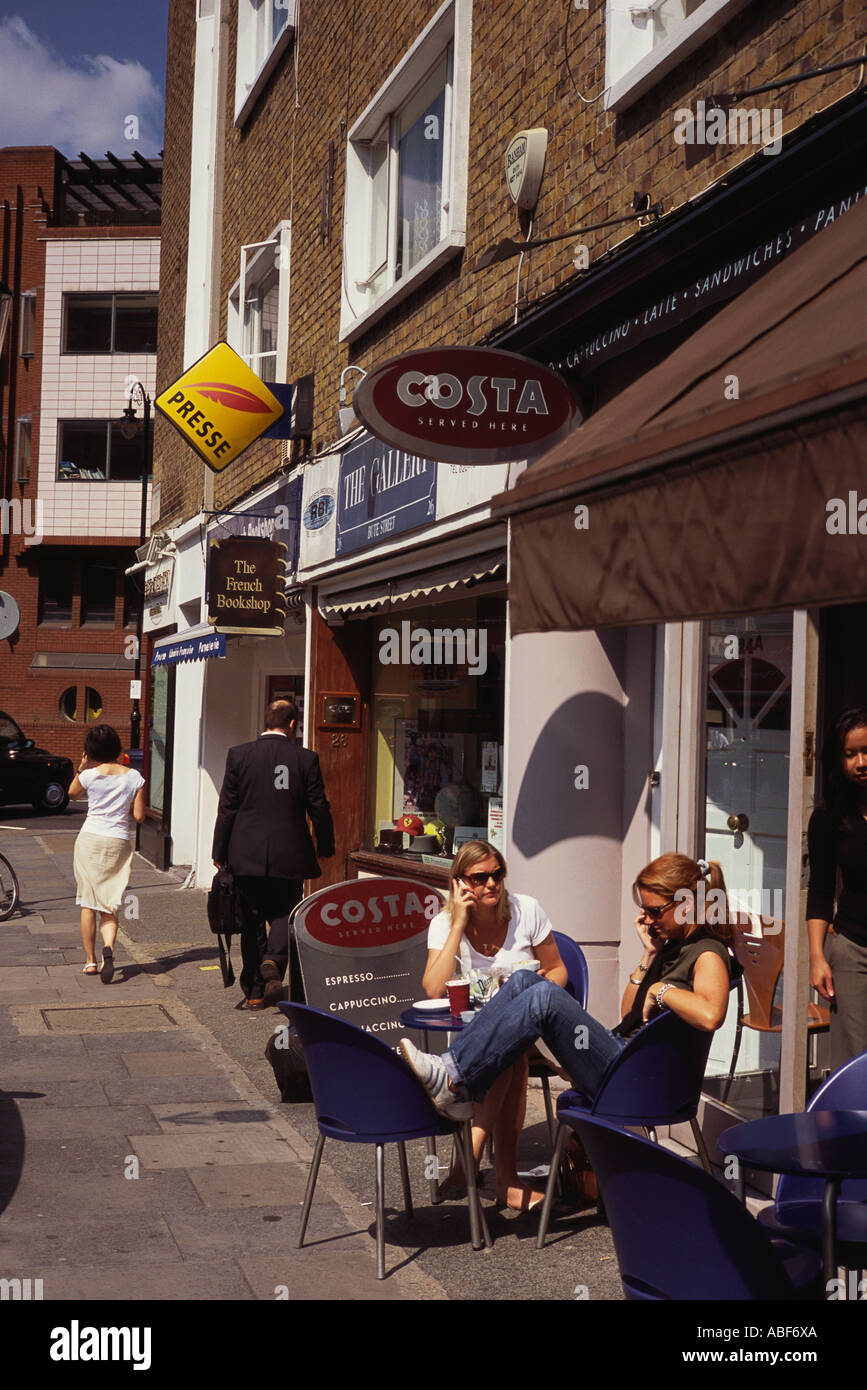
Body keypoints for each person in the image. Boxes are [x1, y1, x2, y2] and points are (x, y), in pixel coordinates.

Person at [401, 852, 734, 1124]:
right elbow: (628, 1015)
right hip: (625, 1058)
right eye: (643, 910)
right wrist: (648, 957)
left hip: (640, 1078)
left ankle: (452, 1078)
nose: (646, 919)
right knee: (523, 981)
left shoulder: (707, 953)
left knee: (543, 996)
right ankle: (454, 1076)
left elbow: (710, 1015)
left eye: (653, 910)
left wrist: (661, 990)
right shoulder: (671, 946)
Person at [423, 840, 567, 1211]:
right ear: (460, 883)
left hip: (532, 1030)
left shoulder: (526, 910)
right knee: (511, 1056)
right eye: (480, 877)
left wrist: (532, 995)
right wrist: (458, 923)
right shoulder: (443, 923)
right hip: (473, 1038)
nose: (491, 884)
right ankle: (506, 1181)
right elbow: (433, 988)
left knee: (513, 1044)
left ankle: (467, 1159)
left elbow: (558, 970)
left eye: (497, 874)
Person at [212, 699, 334, 1010]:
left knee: (251, 920)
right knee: (284, 913)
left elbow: (227, 806)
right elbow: (318, 807)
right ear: (292, 724)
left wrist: (219, 850)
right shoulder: (305, 758)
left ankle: (254, 992)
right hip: (289, 853)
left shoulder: (239, 755)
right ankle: (274, 961)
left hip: (245, 853)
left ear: (266, 721)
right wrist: (326, 846)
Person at [807, 706, 867, 1071]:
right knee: (855, 1066)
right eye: (851, 754)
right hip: (853, 950)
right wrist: (818, 958)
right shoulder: (829, 817)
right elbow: (820, 889)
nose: (861, 762)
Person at [68, 724, 146, 982]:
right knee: (110, 902)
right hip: (118, 841)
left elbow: (72, 794)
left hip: (90, 839)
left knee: (88, 902)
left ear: (90, 751)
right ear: (116, 747)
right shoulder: (133, 777)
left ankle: (90, 961)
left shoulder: (89, 775)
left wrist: (81, 766)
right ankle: (109, 949)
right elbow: (139, 816)